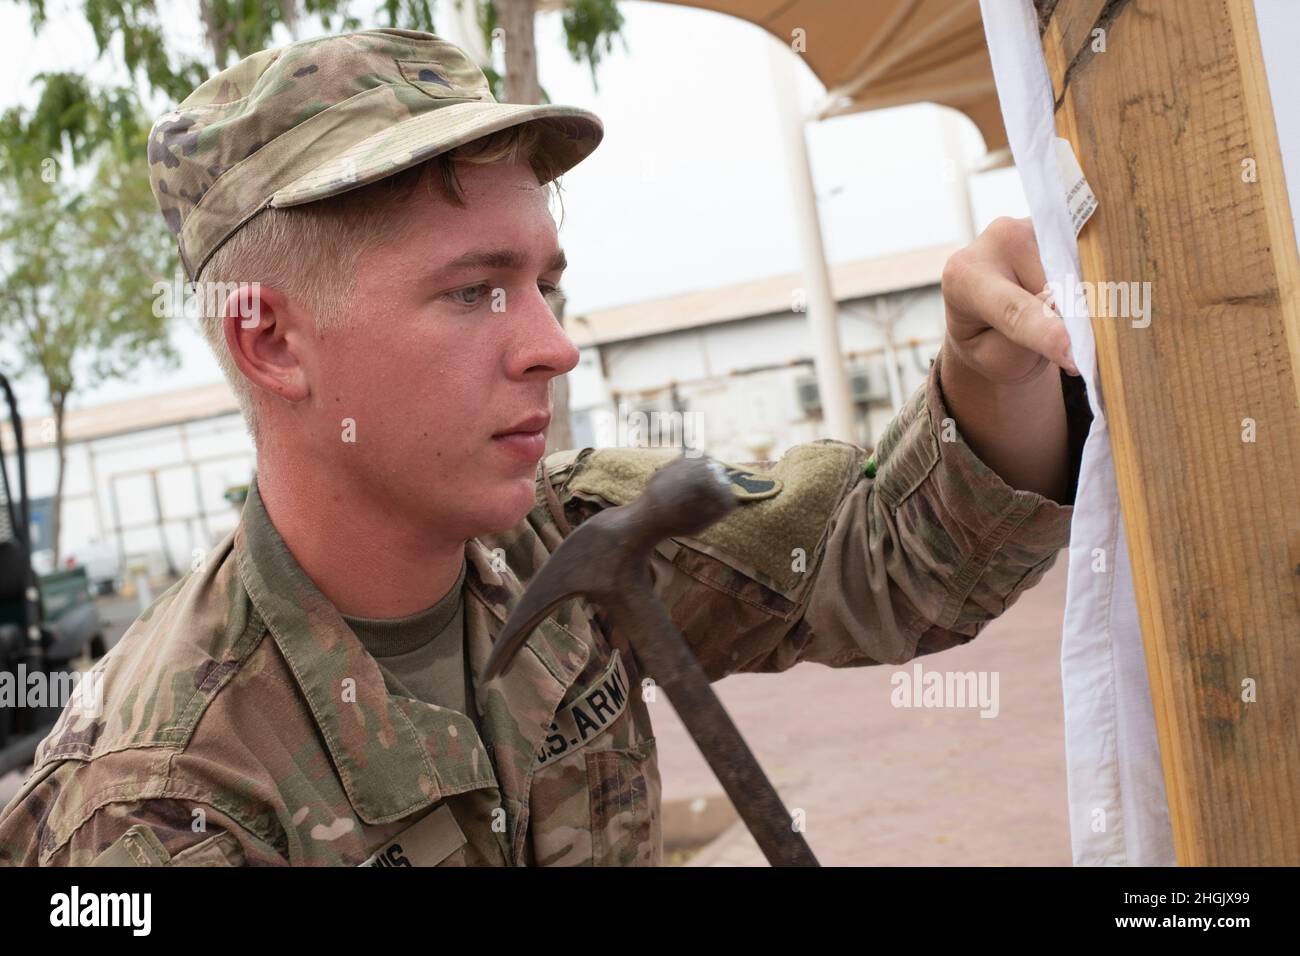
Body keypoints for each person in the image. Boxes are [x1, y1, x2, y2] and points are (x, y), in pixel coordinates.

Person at [0, 28, 1087, 866]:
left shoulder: (570, 540)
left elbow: (888, 564)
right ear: (272, 338)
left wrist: (995, 372)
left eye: (544, 283)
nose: (553, 346)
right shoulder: (154, 802)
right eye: (473, 291)